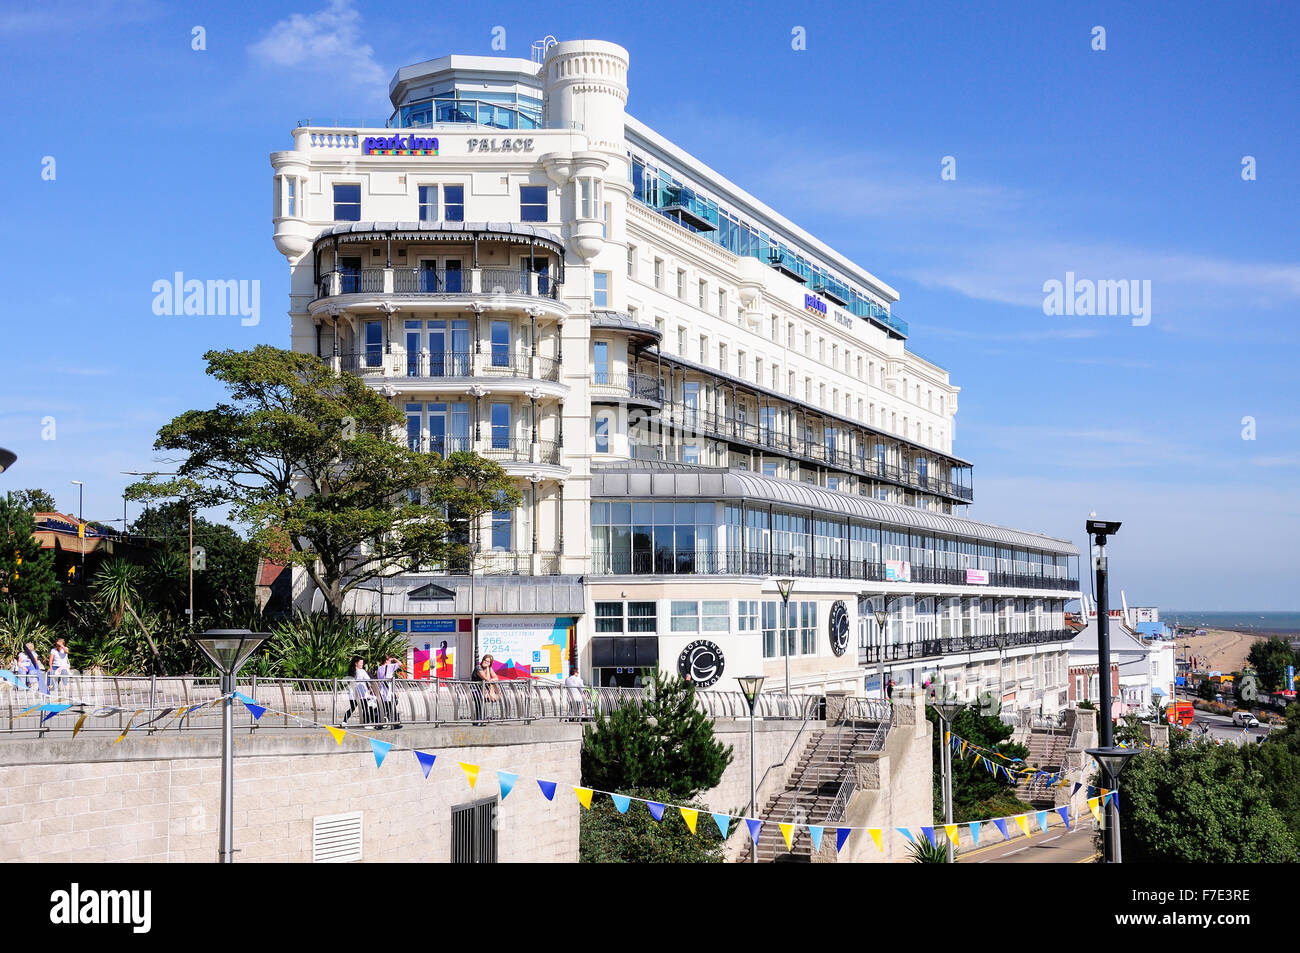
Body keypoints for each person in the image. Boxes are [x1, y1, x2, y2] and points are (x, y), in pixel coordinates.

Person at [342, 656, 376, 726]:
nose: (362, 664)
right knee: (365, 708)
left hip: (353, 693)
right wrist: (371, 687)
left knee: (352, 708)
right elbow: (369, 680)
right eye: (361, 663)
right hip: (361, 694)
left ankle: (344, 721)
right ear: (356, 663)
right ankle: (366, 723)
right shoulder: (362, 671)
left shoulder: (351, 671)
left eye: (362, 663)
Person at [375, 654, 403, 729]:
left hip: (382, 691)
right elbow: (400, 664)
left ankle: (380, 724)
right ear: (386, 661)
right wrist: (395, 659)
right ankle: (395, 724)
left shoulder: (379, 668)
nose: (391, 662)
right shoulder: (390, 667)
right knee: (392, 707)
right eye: (390, 661)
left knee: (383, 709)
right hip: (388, 692)